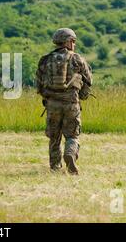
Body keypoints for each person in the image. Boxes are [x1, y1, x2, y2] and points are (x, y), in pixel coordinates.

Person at [36, 28, 93, 175]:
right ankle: (70, 154)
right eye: (73, 41)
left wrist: (47, 98)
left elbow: (39, 84)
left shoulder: (45, 60)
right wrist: (82, 96)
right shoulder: (77, 59)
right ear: (68, 42)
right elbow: (88, 81)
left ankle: (55, 167)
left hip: (52, 104)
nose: (74, 44)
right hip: (71, 104)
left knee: (54, 137)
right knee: (72, 135)